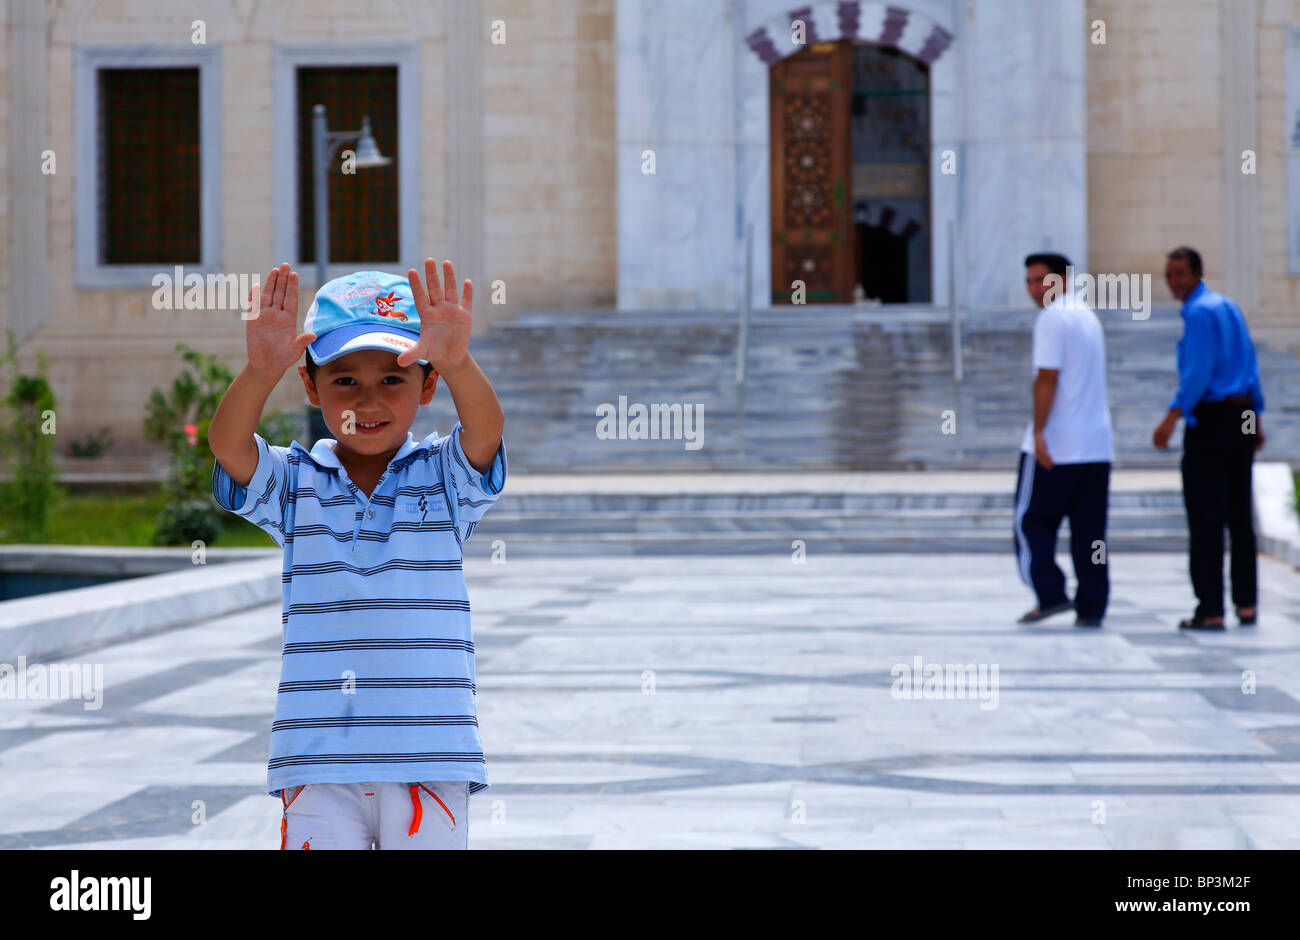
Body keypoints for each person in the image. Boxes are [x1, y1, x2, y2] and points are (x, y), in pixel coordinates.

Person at [208, 259, 506, 848]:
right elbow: (229, 446)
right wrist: (259, 371)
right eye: (345, 380)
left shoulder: (444, 478)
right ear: (312, 387)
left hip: (431, 758)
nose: (368, 401)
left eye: (392, 379)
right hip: (317, 762)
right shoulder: (295, 483)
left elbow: (486, 432)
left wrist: (459, 362)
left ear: (427, 385)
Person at [1152, 246, 1265, 630]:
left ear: (1197, 273)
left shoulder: (1199, 313)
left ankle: (1211, 608)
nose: (1173, 282)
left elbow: (1198, 373)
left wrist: (1171, 417)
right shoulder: (1228, 306)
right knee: (1239, 515)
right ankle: (1246, 604)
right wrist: (1257, 419)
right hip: (1242, 413)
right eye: (1168, 274)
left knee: (1206, 518)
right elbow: (1250, 363)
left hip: (1213, 418)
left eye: (1179, 274)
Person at [1013, 253, 1115, 627]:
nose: (1035, 289)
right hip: (1095, 447)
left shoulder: (1053, 318)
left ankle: (1050, 593)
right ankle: (1093, 604)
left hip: (1057, 444)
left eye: (1042, 280)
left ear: (1063, 280)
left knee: (1030, 522)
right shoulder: (1087, 317)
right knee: (1090, 535)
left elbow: (1047, 379)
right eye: (1029, 281)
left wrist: (1039, 432)